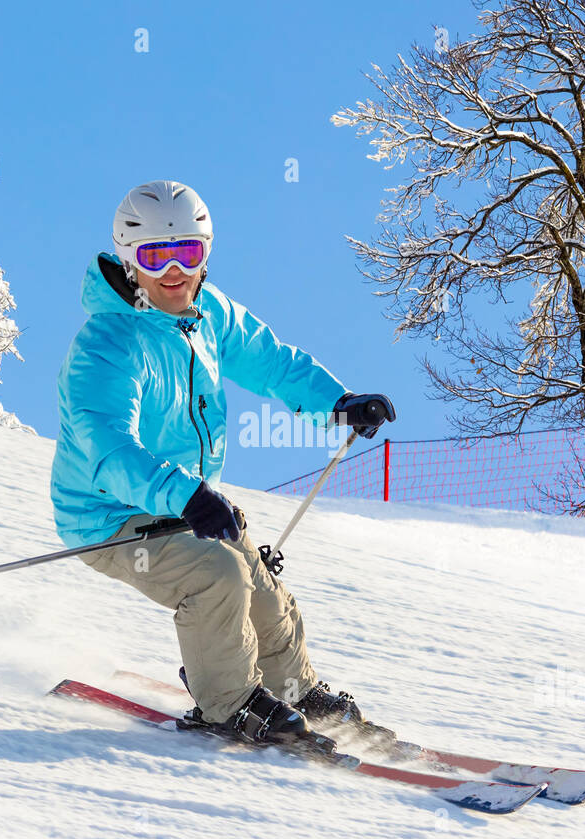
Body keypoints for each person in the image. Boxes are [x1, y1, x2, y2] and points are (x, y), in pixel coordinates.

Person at [50, 179, 396, 749]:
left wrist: (336, 403)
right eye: (154, 256)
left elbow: (270, 360)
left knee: (258, 583)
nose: (172, 273)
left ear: (204, 255)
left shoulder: (208, 315)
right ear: (128, 259)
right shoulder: (107, 345)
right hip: (109, 515)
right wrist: (183, 495)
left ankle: (291, 690)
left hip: (187, 500)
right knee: (217, 577)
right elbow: (108, 447)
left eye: (185, 253)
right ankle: (229, 705)